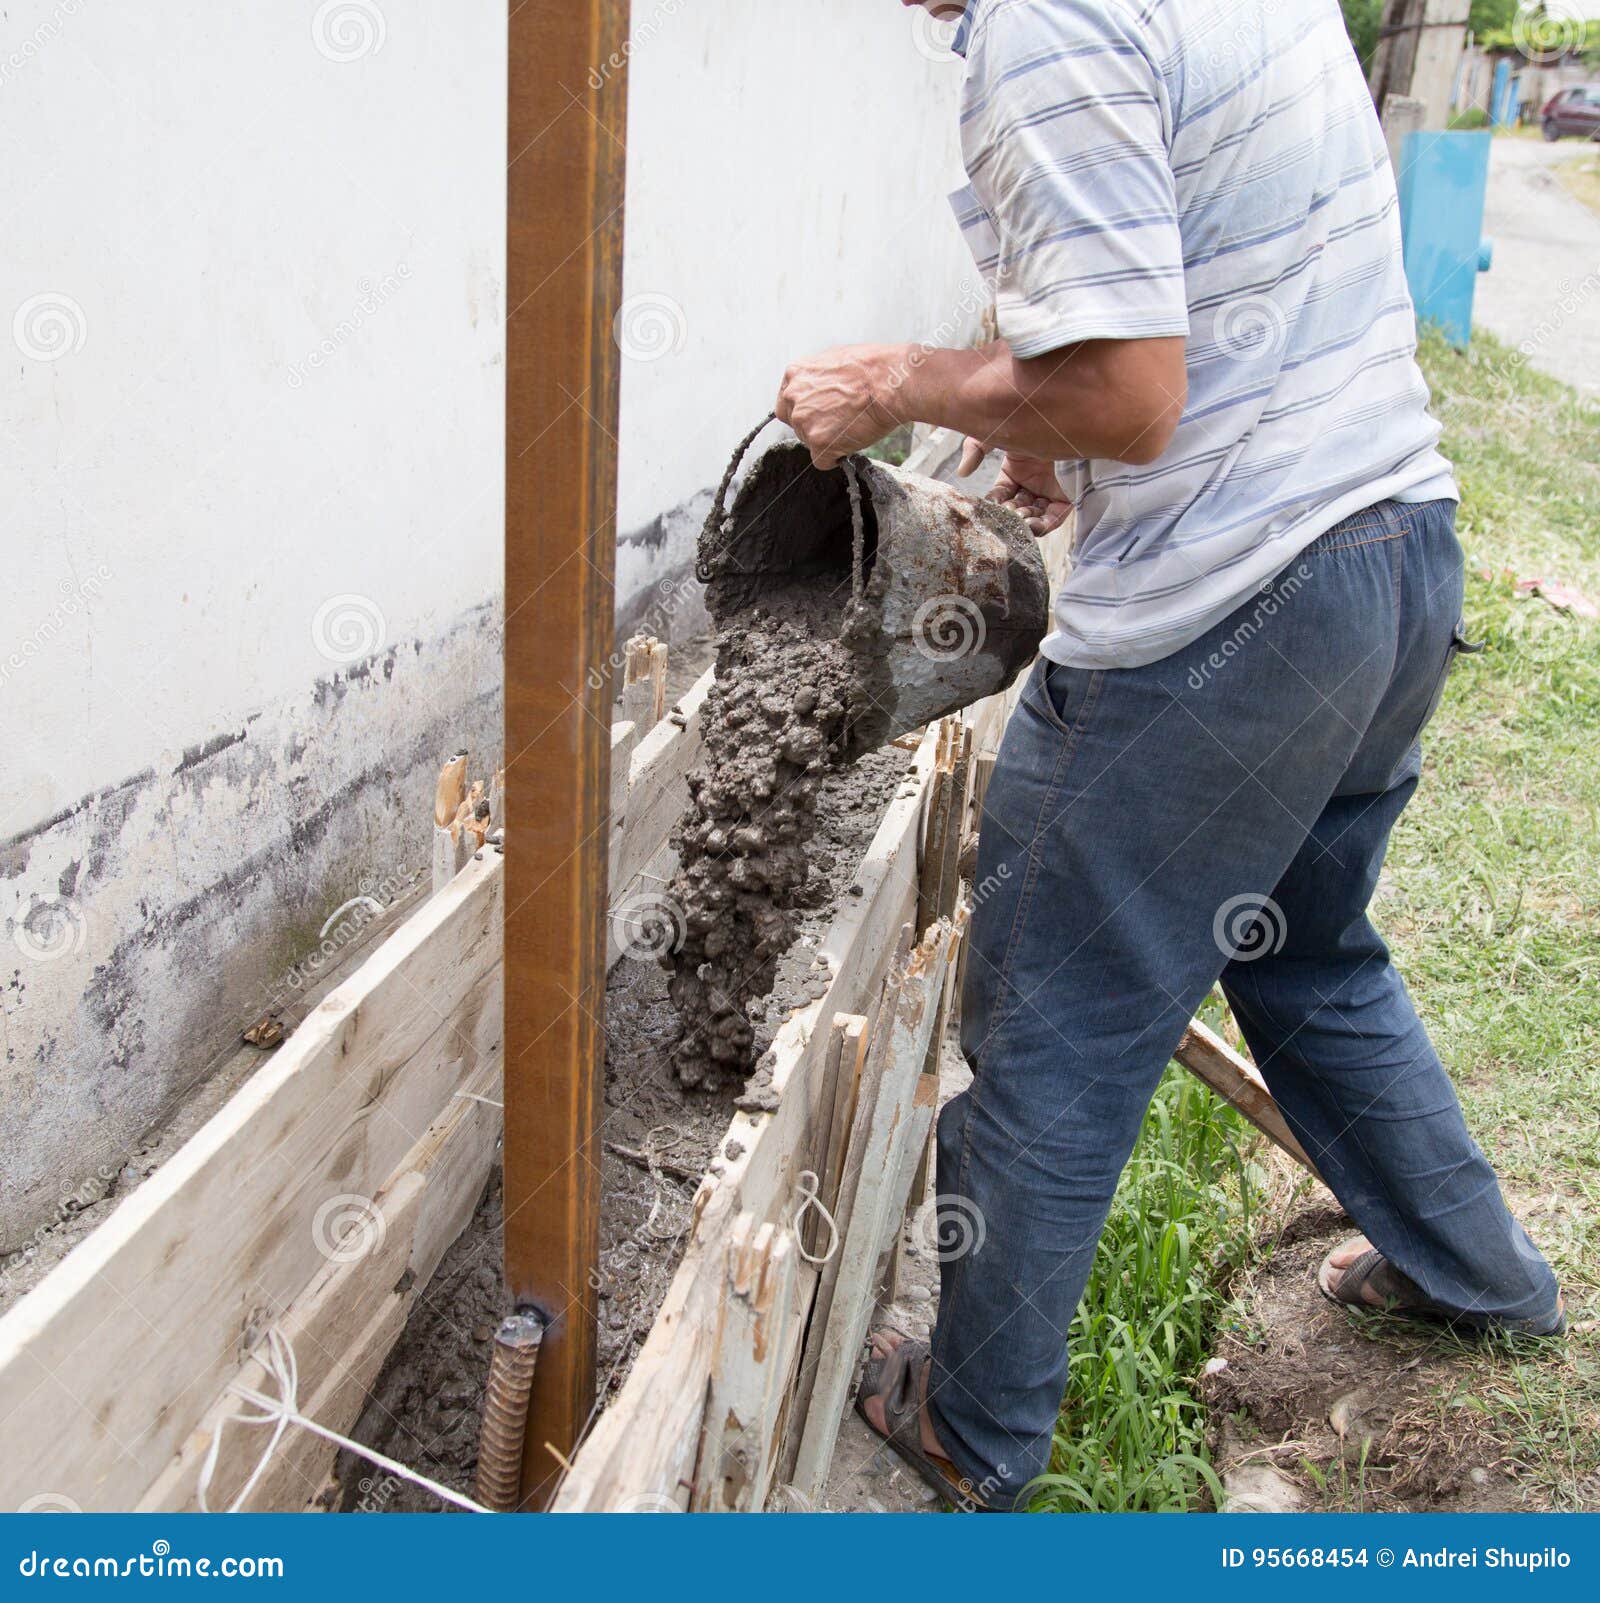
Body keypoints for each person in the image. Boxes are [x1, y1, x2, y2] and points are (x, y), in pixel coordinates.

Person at [775, 0, 1564, 1512]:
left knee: (1055, 1026)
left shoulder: (1047, 31)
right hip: (1390, 555)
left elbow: (1131, 397)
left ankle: (974, 1424)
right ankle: (1477, 1275)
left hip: (1234, 614)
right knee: (1310, 950)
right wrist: (1034, 400)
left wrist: (902, 383)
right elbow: (1176, 248)